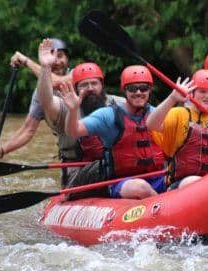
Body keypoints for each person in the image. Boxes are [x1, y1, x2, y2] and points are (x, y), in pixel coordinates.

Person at [62, 65, 166, 199]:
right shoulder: (108, 115)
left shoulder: (157, 114)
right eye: (132, 88)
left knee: (189, 181)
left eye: (143, 88)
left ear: (150, 90)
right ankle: (163, 205)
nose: (138, 92)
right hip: (121, 182)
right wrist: (72, 110)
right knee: (141, 187)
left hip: (157, 176)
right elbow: (73, 131)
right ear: (124, 90)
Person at [34, 38, 118, 188]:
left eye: (94, 83)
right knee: (109, 163)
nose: (90, 88)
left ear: (102, 85)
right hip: (76, 175)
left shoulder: (116, 103)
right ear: (76, 88)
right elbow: (46, 101)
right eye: (84, 85)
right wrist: (45, 68)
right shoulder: (65, 107)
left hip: (113, 170)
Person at [0, 38, 70, 161]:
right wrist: (2, 150)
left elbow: (56, 82)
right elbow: (28, 130)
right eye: (50, 56)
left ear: (67, 59)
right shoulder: (41, 93)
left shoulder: (78, 75)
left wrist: (26, 61)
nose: (55, 61)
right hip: (70, 157)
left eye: (60, 56)